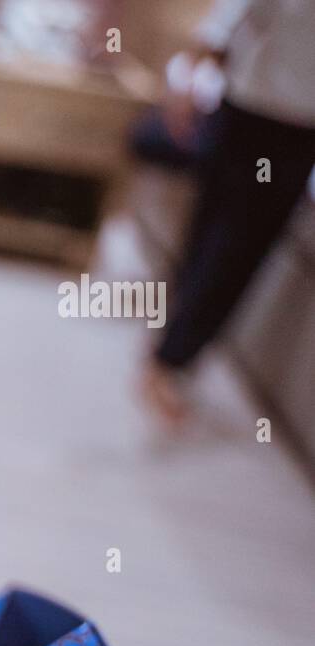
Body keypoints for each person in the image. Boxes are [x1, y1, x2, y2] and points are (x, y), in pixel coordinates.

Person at [140, 0, 315, 426]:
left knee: (213, 235)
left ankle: (169, 351)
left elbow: (228, 20)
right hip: (284, 124)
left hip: (242, 109)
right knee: (234, 249)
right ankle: (168, 361)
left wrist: (188, 78)